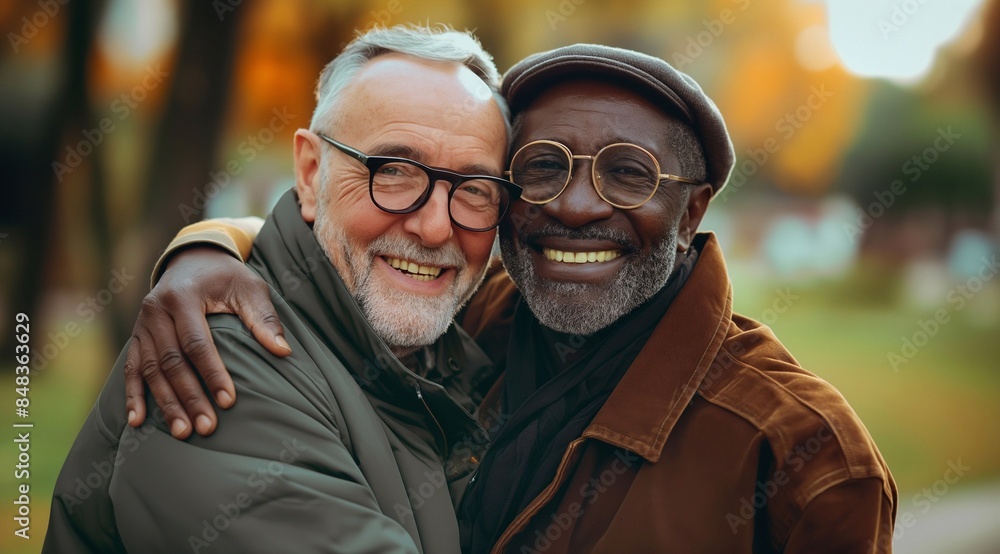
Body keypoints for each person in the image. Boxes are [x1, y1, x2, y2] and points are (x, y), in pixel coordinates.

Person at [122, 45, 899, 552]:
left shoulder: (802, 454)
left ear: (691, 211)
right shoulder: (474, 319)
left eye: (628, 173)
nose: (576, 207)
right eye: (540, 168)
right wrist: (210, 246)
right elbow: (354, 247)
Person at [43, 25, 521, 553]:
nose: (434, 228)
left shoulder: (462, 352)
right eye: (395, 172)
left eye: (475, 189)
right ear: (311, 171)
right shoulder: (216, 362)